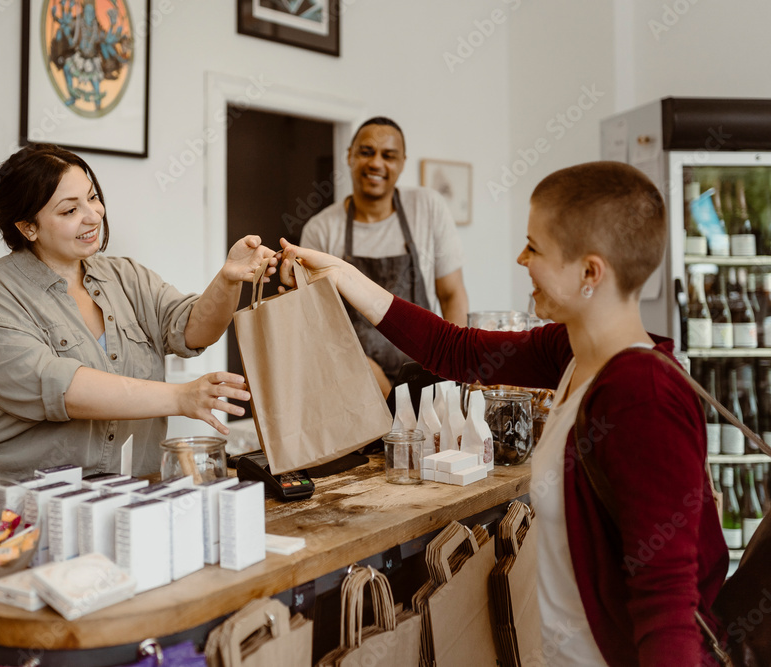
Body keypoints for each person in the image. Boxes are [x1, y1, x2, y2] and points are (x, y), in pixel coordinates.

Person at [280, 161, 728, 665]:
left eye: (534, 247)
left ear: (589, 272)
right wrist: (341, 274)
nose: (521, 258)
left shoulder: (642, 397)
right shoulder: (574, 350)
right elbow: (457, 349)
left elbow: (666, 606)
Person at [0, 143, 276, 479]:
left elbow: (191, 329)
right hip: (13, 498)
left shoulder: (125, 276)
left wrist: (228, 280)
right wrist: (182, 396)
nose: (93, 215)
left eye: (91, 197)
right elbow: (62, 389)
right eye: (69, 211)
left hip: (122, 494)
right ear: (28, 227)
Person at [300, 116, 469, 396]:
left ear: (402, 162)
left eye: (388, 155)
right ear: (349, 157)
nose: (376, 163)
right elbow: (318, 322)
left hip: (427, 372)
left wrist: (453, 367)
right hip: (353, 379)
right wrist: (367, 372)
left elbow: (452, 295)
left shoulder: (428, 208)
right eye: (366, 152)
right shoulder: (321, 229)